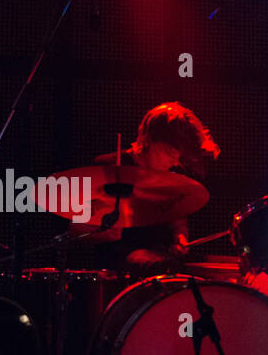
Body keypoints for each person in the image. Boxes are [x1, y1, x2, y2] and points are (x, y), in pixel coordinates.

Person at [94, 102, 220, 276]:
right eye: (170, 153)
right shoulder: (109, 167)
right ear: (149, 140)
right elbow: (77, 228)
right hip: (121, 258)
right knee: (161, 266)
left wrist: (180, 238)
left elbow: (179, 224)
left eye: (179, 156)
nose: (175, 162)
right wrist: (103, 233)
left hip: (162, 257)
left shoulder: (172, 176)